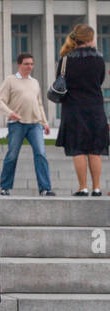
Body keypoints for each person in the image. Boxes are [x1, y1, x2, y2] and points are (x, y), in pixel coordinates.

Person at [54, 23, 108, 196]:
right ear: (91, 38)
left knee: (78, 148)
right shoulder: (99, 59)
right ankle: (97, 187)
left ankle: (83, 187)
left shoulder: (66, 59)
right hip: (95, 108)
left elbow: (60, 81)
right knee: (95, 149)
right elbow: (99, 81)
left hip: (73, 107)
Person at [0, 52, 54, 195]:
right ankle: (5, 187)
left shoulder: (35, 82)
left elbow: (39, 104)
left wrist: (45, 123)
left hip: (35, 124)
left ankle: (45, 189)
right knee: (12, 155)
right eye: (27, 64)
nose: (30, 67)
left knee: (41, 154)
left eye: (31, 64)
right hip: (17, 124)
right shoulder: (10, 80)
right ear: (19, 64)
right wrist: (10, 113)